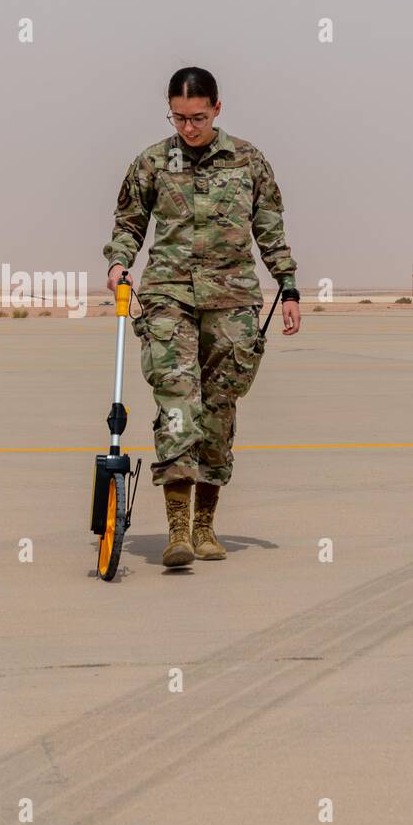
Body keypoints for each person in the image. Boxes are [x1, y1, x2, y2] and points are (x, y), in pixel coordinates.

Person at [103, 66, 301, 568]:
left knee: (218, 411)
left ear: (217, 108)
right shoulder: (151, 162)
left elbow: (270, 229)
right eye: (178, 117)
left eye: (197, 117)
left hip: (232, 298)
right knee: (177, 403)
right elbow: (129, 222)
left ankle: (205, 525)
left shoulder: (248, 161)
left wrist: (289, 285)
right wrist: (119, 261)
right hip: (168, 294)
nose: (188, 127)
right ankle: (176, 531)